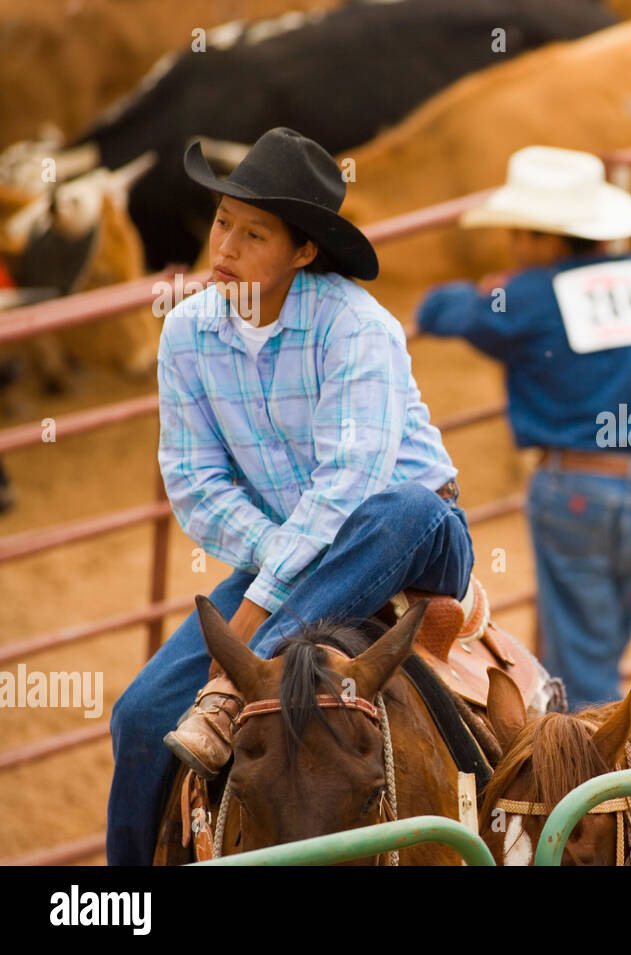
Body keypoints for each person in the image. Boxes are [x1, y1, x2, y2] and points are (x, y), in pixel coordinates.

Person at [107, 127, 473, 865]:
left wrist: (252, 623)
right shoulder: (186, 334)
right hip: (290, 552)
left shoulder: (356, 328)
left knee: (397, 506)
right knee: (140, 716)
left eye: (254, 233)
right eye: (221, 222)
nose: (226, 248)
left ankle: (236, 678)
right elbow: (195, 481)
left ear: (304, 252)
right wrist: (279, 565)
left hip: (410, 535)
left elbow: (354, 483)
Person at [416, 146, 631, 710]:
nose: (513, 247)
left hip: (575, 488)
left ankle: (594, 787)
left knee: (583, 671)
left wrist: (490, 290)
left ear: (545, 238)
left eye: (519, 235)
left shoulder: (527, 296)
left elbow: (438, 310)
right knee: (599, 650)